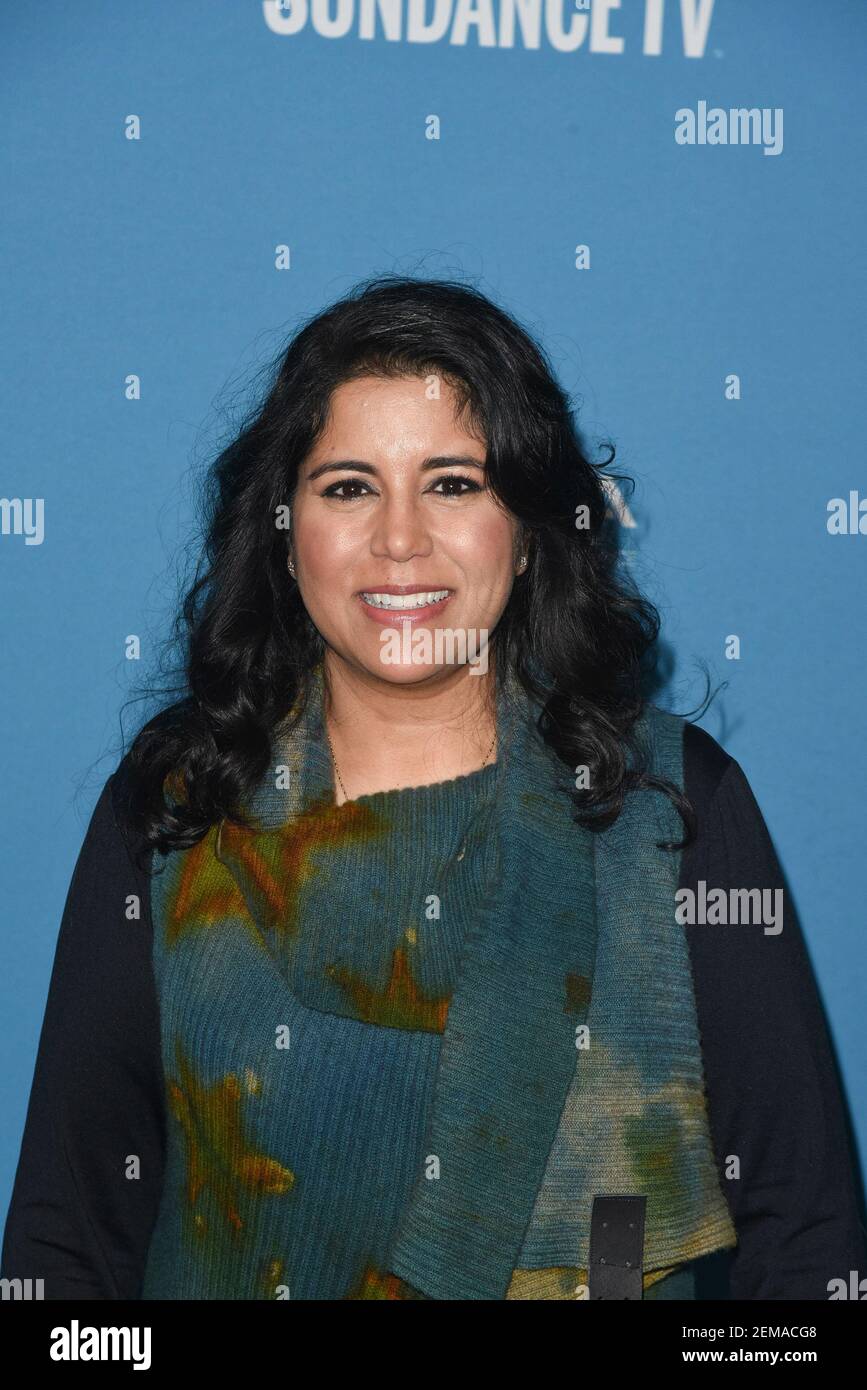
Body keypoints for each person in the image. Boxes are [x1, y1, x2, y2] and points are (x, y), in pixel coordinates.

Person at [2, 276, 864, 1301]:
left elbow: (807, 1251)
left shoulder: (667, 806)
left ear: (531, 524)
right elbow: (70, 1243)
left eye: (453, 482)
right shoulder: (178, 810)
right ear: (284, 533)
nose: (400, 539)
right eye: (349, 486)